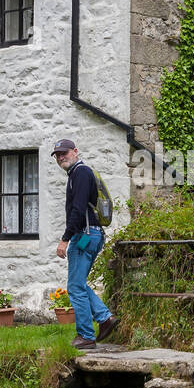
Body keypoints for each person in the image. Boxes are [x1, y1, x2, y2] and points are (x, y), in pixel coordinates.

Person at [51, 139, 118, 349]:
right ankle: (105, 318)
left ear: (75, 152)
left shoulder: (80, 173)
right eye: (58, 155)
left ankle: (86, 335)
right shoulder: (78, 174)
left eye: (65, 153)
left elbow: (78, 210)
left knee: (75, 287)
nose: (61, 157)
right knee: (78, 284)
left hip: (85, 236)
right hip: (91, 235)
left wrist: (65, 239)